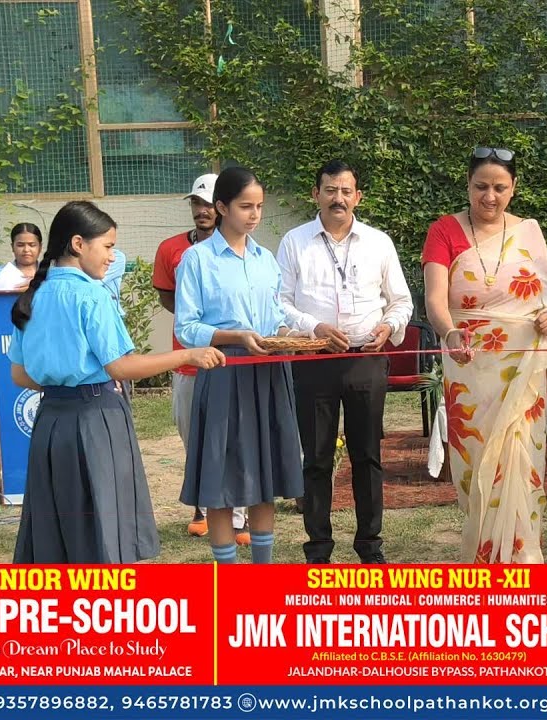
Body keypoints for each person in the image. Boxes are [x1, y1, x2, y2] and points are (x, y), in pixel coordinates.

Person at [6, 201, 224, 563]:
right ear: (78, 244)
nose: (111, 257)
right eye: (107, 246)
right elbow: (121, 367)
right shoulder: (92, 294)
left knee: (58, 529)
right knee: (105, 524)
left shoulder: (35, 294)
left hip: (50, 423)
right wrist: (188, 355)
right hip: (96, 418)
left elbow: (18, 374)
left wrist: (61, 378)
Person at [421, 147, 547, 564]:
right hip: (468, 365)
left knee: (520, 459)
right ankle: (484, 558)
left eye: (500, 188)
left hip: (523, 365)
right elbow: (435, 298)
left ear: (514, 189)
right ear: (467, 186)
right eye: (481, 186)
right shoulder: (444, 230)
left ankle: (520, 559)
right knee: (476, 464)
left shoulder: (529, 232)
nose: (490, 196)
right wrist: (448, 333)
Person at [278, 159, 414, 564]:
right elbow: (279, 302)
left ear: (358, 197)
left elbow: (401, 300)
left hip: (365, 360)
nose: (339, 198)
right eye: (330, 190)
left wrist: (389, 327)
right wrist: (313, 327)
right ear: (315, 194)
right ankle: (318, 549)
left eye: (346, 191)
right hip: (315, 360)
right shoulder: (294, 242)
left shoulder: (378, 242)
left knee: (367, 454)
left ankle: (370, 546)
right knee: (317, 456)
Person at [175, 166, 306, 564]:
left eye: (259, 207)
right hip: (223, 374)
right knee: (222, 476)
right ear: (220, 207)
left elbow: (273, 315)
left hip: (268, 373)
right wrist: (236, 336)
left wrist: (289, 334)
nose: (254, 215)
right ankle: (229, 578)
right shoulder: (196, 260)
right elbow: (186, 327)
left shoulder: (266, 259)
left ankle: (262, 575)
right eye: (245, 206)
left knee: (264, 475)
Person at [151, 173, 250, 544]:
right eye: (195, 203)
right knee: (192, 434)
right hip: (189, 360)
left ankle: (237, 513)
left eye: (207, 204)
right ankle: (203, 504)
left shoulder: (244, 250)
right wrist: (196, 318)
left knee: (234, 436)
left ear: (221, 207)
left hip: (233, 361)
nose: (201, 211)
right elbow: (167, 297)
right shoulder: (172, 250)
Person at [0, 223, 42, 421]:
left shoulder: (51, 273)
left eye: (32, 244)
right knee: (6, 402)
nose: (26, 250)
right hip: (4, 343)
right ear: (12, 246)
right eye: (20, 244)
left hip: (41, 341)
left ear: (40, 246)